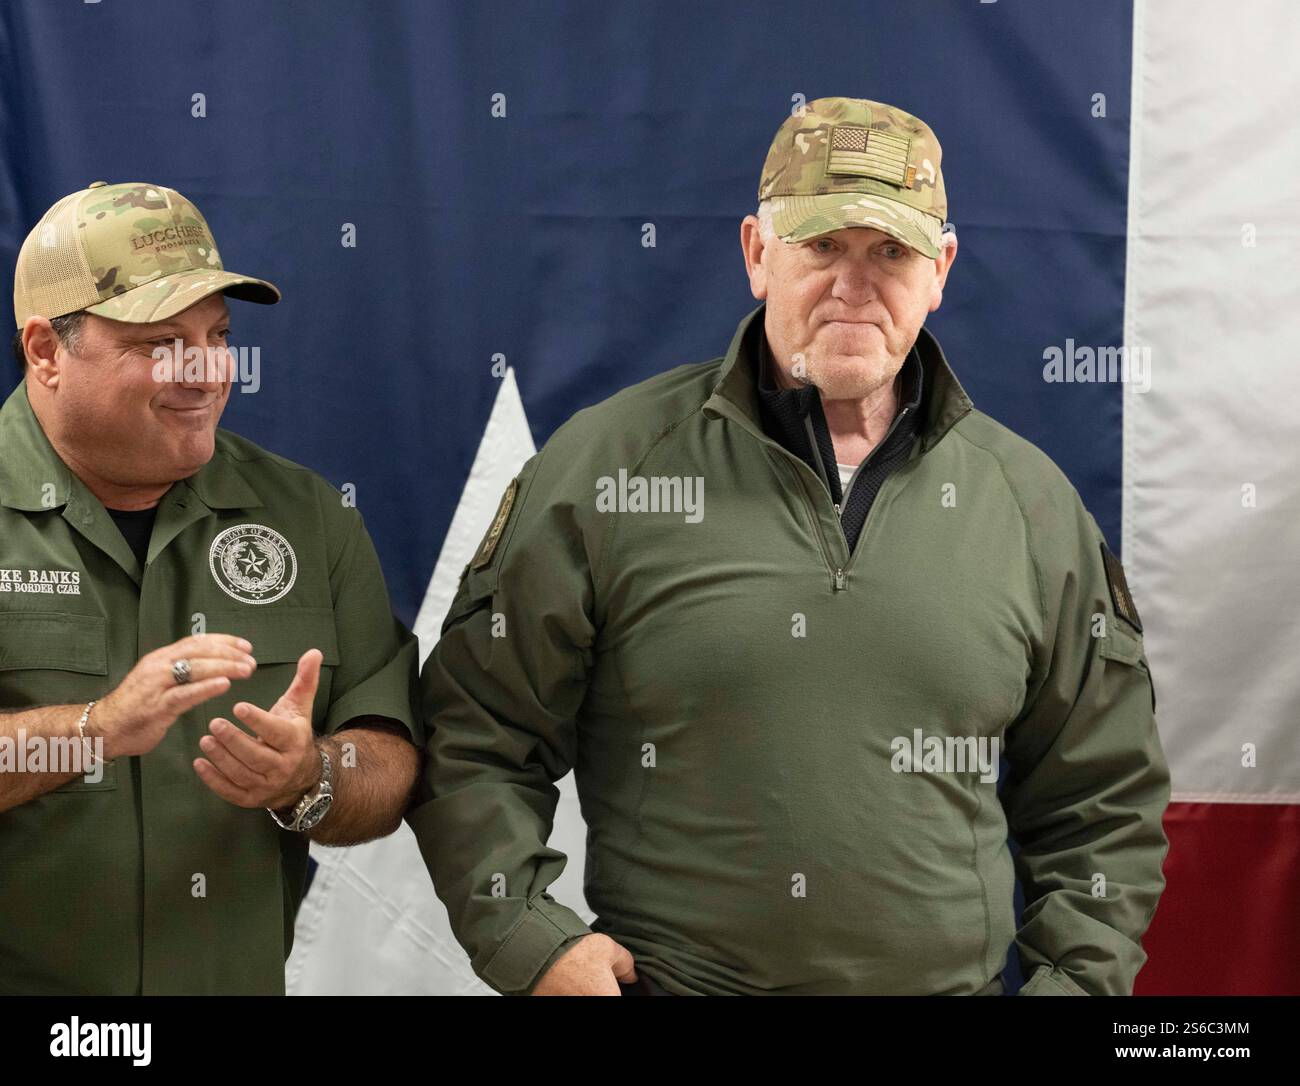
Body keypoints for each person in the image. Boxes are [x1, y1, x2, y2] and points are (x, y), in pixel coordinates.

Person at [410, 98, 1170, 996]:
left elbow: (1102, 801)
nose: (855, 284)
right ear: (755, 255)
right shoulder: (607, 470)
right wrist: (532, 940)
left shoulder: (1029, 505)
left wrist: (1074, 986)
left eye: (891, 251)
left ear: (941, 271)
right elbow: (475, 737)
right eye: (821, 246)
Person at [0, 181, 421, 995]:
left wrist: (309, 777)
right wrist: (93, 730)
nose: (206, 373)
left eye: (218, 336)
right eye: (160, 344)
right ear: (47, 351)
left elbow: (388, 753)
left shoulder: (309, 516)